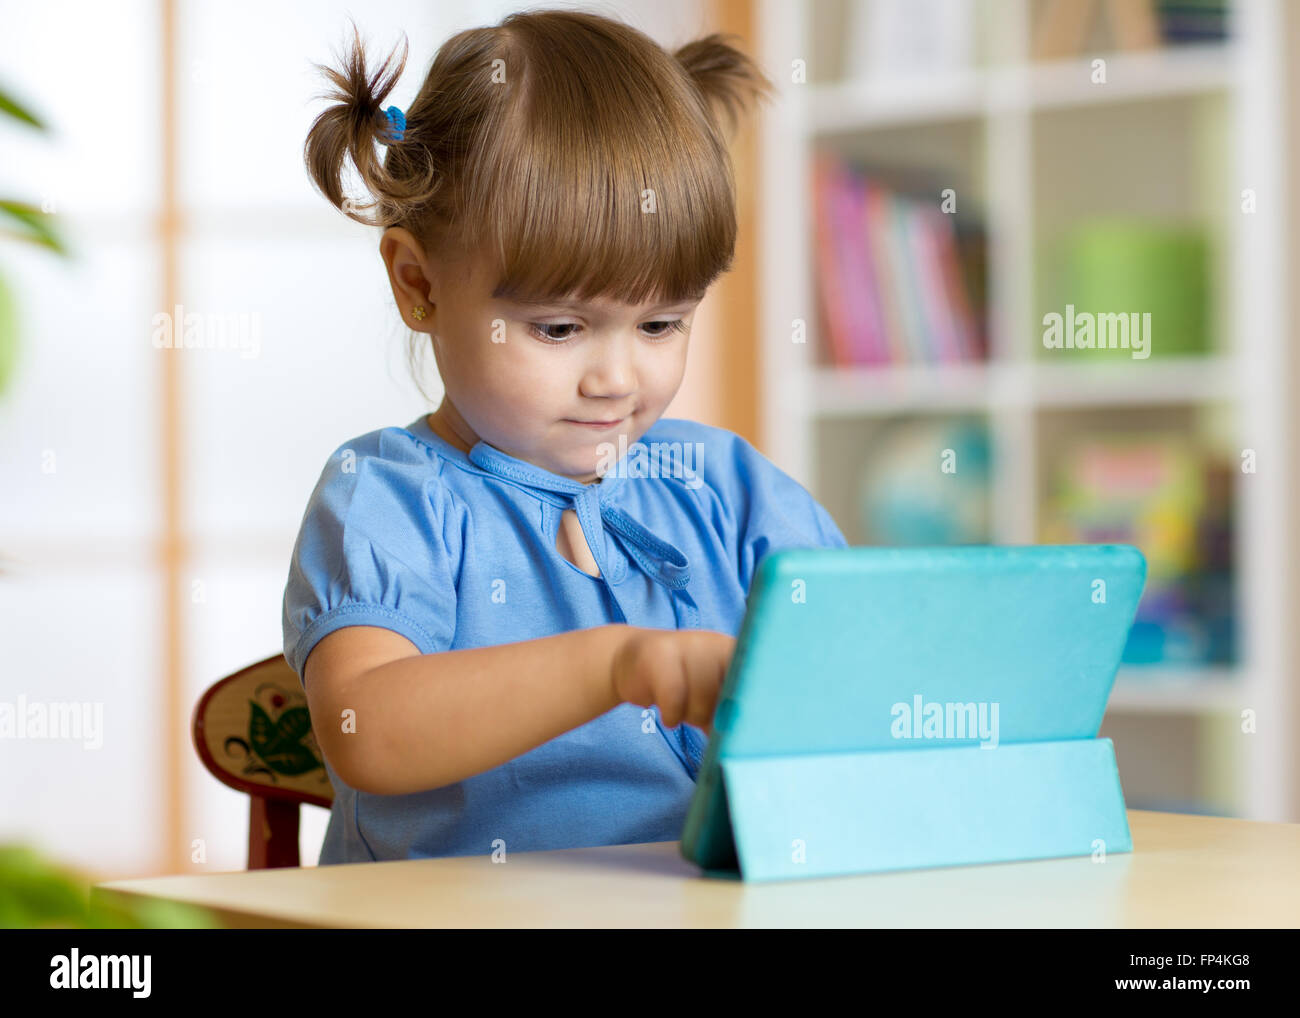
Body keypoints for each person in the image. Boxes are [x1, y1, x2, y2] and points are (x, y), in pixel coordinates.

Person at [282, 8, 847, 865]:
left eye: (661, 325)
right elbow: (368, 730)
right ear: (418, 283)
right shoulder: (389, 495)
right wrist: (615, 666)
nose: (616, 379)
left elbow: (860, 661)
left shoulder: (726, 486)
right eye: (558, 329)